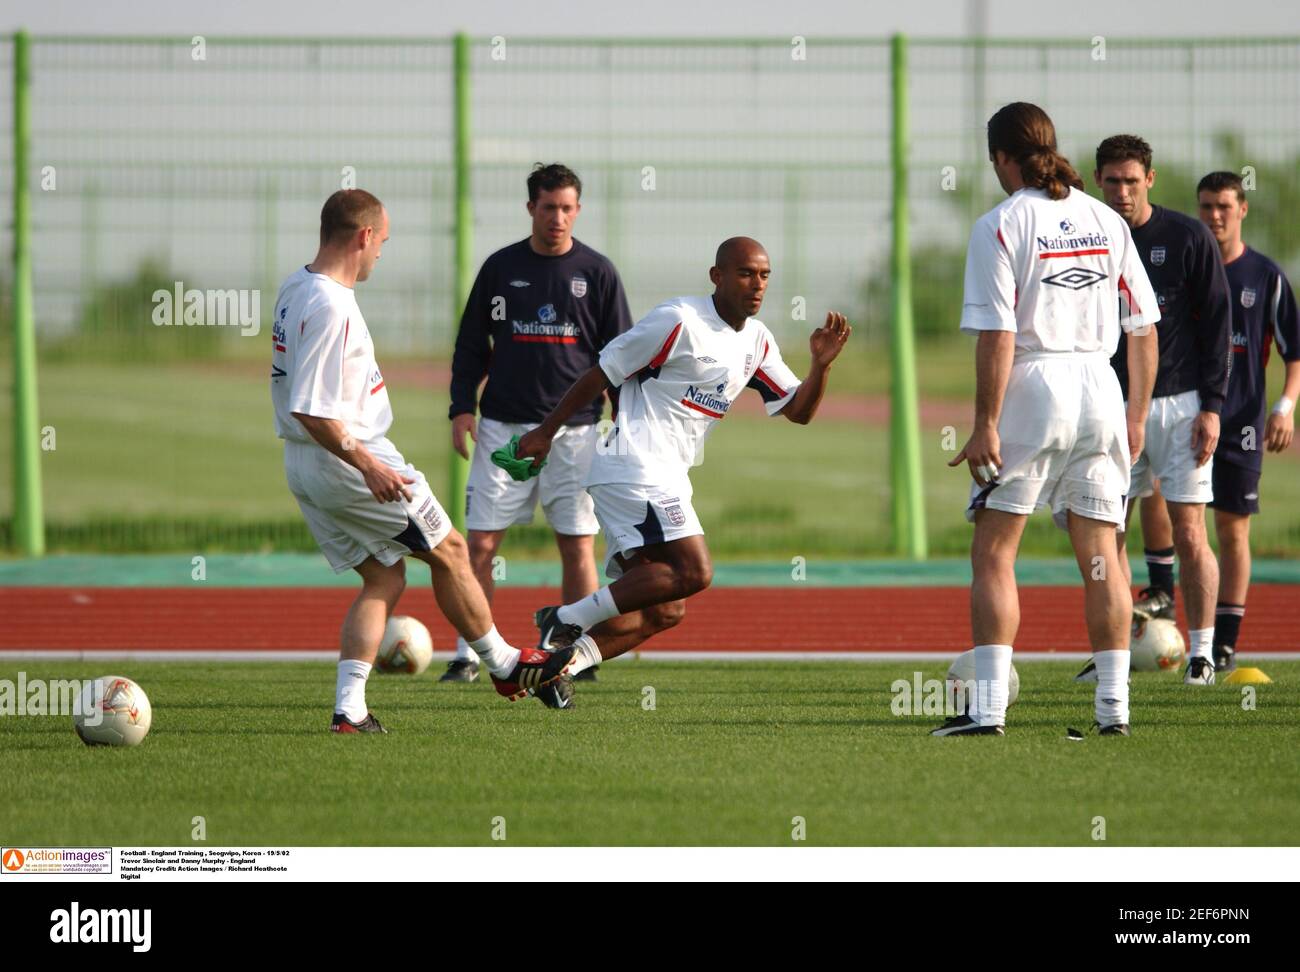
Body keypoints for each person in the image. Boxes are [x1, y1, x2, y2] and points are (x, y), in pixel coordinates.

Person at [270, 189, 575, 732]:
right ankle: (505, 665)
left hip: (305, 464)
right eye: (382, 241)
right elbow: (313, 411)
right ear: (363, 237)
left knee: (384, 578)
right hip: (347, 458)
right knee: (452, 549)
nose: (382, 253)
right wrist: (369, 466)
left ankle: (349, 709)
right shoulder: (329, 304)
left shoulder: (296, 287)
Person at [512, 237, 850, 702]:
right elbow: (601, 372)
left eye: (765, 275)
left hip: (665, 475)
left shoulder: (757, 341)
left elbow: (799, 410)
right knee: (695, 570)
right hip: (631, 463)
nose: (757, 284)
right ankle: (567, 618)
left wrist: (820, 367)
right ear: (717, 276)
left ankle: (558, 667)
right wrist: (546, 432)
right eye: (745, 273)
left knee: (666, 610)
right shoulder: (679, 320)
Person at [932, 102, 1158, 737]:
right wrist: (1134, 413)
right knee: (1102, 560)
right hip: (1101, 391)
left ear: (1003, 159)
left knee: (995, 553)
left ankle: (988, 711)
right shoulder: (1105, 218)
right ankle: (1113, 711)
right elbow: (1144, 326)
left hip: (1036, 387)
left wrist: (985, 422)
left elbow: (998, 335)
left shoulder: (1001, 223)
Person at [446, 163, 632, 695]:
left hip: (575, 433)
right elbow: (470, 345)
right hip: (503, 429)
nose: (558, 217)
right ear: (531, 208)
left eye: (567, 207)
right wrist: (462, 407)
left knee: (577, 543)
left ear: (579, 210)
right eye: (548, 207)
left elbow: (621, 354)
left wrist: (624, 415)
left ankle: (576, 651)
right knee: (479, 545)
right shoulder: (501, 268)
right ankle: (470, 655)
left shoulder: (597, 273)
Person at [1083, 135, 1232, 686]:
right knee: (1107, 532)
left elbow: (1219, 328)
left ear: (1151, 179)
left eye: (1132, 180)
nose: (1122, 191)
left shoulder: (1188, 237)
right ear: (1097, 179)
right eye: (1112, 180)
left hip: (1179, 408)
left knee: (1191, 531)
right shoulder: (1090, 236)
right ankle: (1114, 656)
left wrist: (1212, 408)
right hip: (1108, 406)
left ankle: (1202, 653)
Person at [1194, 171, 1300, 672]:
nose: (1215, 215)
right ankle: (1185, 634)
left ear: (1242, 210)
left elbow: (1293, 352)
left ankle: (1224, 645)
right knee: (1183, 526)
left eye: (1224, 206)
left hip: (1243, 425)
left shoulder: (1266, 276)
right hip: (1187, 420)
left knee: (1232, 532)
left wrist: (1285, 407)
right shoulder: (1190, 268)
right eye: (1207, 206)